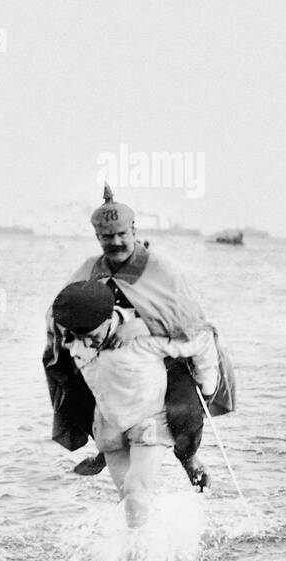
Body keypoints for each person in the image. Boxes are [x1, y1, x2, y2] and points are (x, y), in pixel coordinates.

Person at [43, 184, 235, 491]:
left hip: (167, 358)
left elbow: (190, 321)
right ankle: (106, 448)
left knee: (183, 411)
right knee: (76, 389)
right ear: (98, 238)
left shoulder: (162, 269)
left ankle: (188, 458)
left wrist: (145, 325)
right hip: (111, 363)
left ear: (134, 230)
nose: (116, 242)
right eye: (108, 237)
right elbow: (60, 309)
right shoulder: (90, 269)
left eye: (122, 234)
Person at [51, 280, 217, 526]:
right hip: (110, 423)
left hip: (150, 422)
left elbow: (201, 338)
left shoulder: (144, 334)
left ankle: (139, 557)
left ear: (109, 320)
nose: (81, 345)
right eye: (74, 336)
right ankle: (142, 543)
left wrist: (207, 383)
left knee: (135, 491)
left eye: (90, 336)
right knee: (128, 500)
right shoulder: (73, 339)